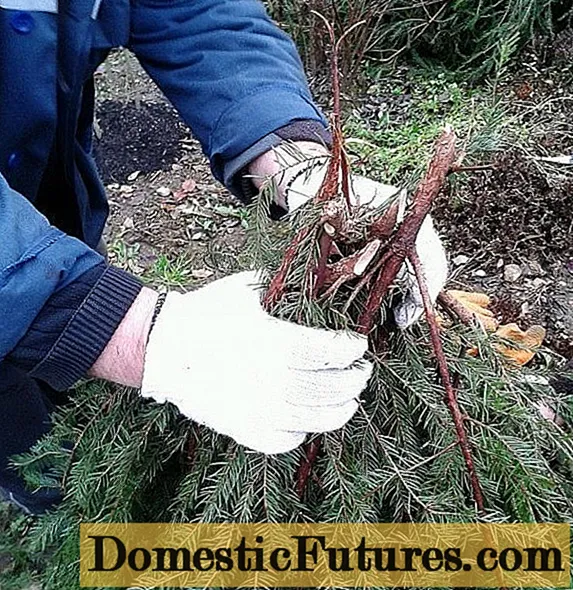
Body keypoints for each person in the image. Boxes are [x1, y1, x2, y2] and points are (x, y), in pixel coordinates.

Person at [0, 0, 448, 514]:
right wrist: (129, 332)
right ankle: (62, 506)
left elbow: (196, 11)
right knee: (32, 443)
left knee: (82, 395)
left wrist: (293, 163)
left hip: (55, 209)